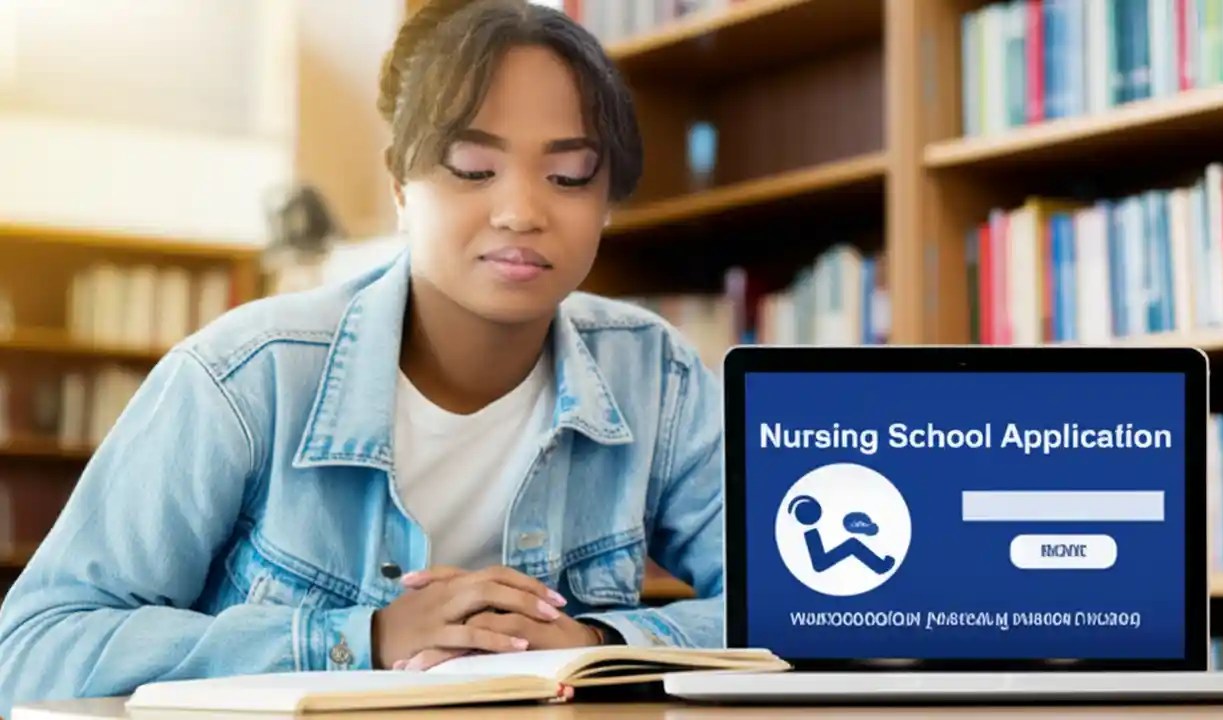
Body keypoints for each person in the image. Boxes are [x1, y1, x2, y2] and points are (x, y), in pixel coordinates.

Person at [0, 0, 725, 713]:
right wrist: (359, 638)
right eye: (472, 167)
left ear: (605, 202)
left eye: (568, 176)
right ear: (400, 184)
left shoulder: (656, 377)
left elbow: (821, 611)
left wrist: (592, 640)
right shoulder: (246, 377)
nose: (520, 211)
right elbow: (34, 649)